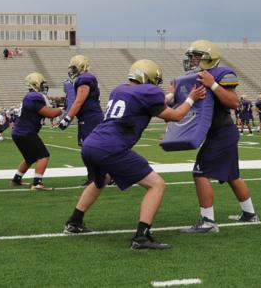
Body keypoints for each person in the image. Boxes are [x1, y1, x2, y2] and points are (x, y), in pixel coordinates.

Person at [63, 59, 206, 250]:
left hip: (91, 144)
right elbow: (176, 115)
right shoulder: (149, 92)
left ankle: (74, 223)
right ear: (149, 78)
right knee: (157, 185)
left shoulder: (120, 90)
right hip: (111, 147)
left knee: (100, 180)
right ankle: (141, 236)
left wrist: (171, 95)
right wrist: (191, 98)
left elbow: (151, 105)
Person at [180, 40, 259, 234]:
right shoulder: (195, 76)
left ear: (209, 57)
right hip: (219, 132)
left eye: (196, 56)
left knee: (200, 172)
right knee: (232, 175)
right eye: (191, 56)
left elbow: (233, 102)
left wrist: (213, 84)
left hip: (222, 132)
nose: (192, 59)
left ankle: (208, 222)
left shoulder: (221, 74)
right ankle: (250, 215)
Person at [10, 72, 63, 190]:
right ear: (35, 84)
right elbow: (49, 113)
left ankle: (16, 179)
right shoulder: (34, 97)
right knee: (44, 155)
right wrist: (61, 109)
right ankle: (37, 183)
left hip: (19, 132)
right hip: (26, 132)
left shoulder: (30, 96)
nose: (44, 86)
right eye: (42, 83)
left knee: (30, 158)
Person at [57, 55, 104, 146]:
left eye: (74, 68)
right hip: (87, 118)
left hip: (91, 119)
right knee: (88, 151)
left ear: (82, 66)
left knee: (91, 150)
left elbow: (79, 101)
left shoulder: (85, 78)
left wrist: (67, 118)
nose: (72, 70)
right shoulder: (85, 78)